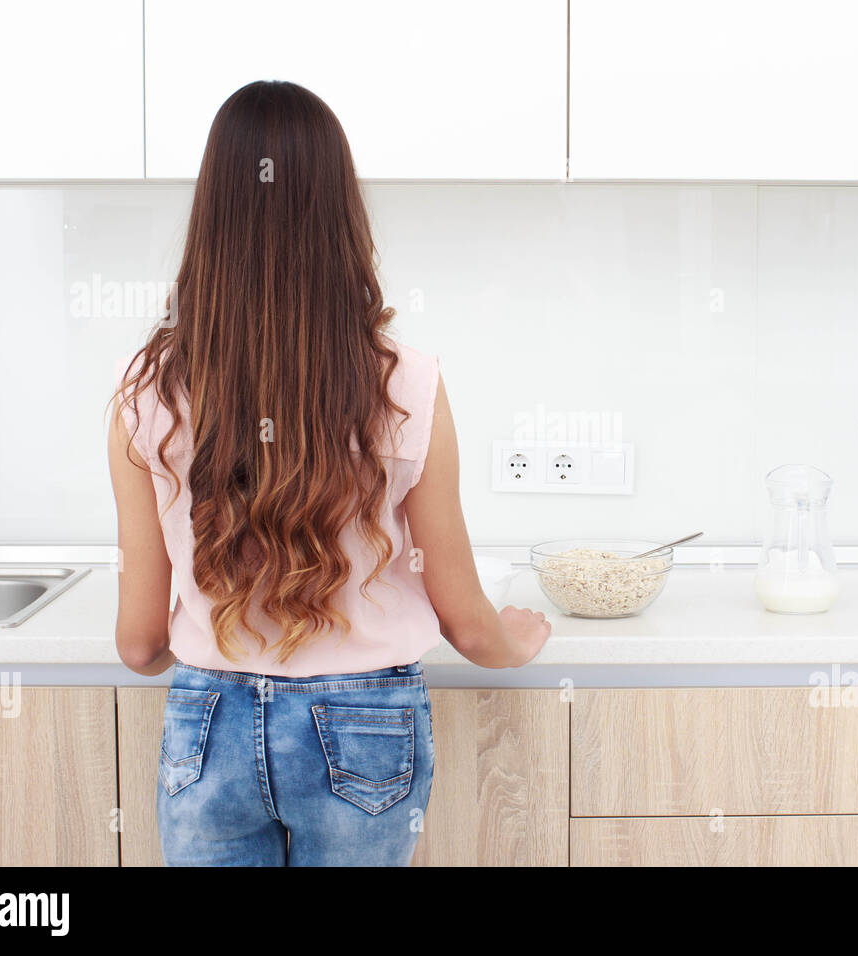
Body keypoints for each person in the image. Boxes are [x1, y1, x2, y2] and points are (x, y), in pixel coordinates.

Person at [108, 80, 550, 866]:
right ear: (340, 212)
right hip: (367, 728)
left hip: (206, 731)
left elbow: (140, 643)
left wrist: (224, 635)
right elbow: (467, 621)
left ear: (212, 214)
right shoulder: (407, 384)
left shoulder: (148, 395)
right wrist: (512, 641)